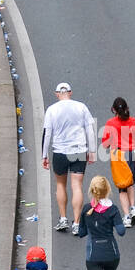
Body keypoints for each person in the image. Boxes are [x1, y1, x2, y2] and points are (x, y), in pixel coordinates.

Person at [42, 81, 97, 234]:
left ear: (57, 94)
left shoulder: (52, 110)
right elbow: (90, 129)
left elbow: (47, 134)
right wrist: (91, 150)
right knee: (77, 186)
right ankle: (77, 222)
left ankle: (63, 218)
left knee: (60, 184)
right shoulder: (81, 107)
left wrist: (44, 155)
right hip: (78, 150)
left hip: (60, 151)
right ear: (70, 92)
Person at [101, 96, 135, 225]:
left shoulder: (111, 123)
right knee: (130, 181)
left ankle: (126, 217)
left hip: (119, 154)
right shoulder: (133, 121)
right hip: (133, 154)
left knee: (122, 187)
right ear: (127, 108)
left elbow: (105, 143)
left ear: (114, 110)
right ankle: (133, 209)